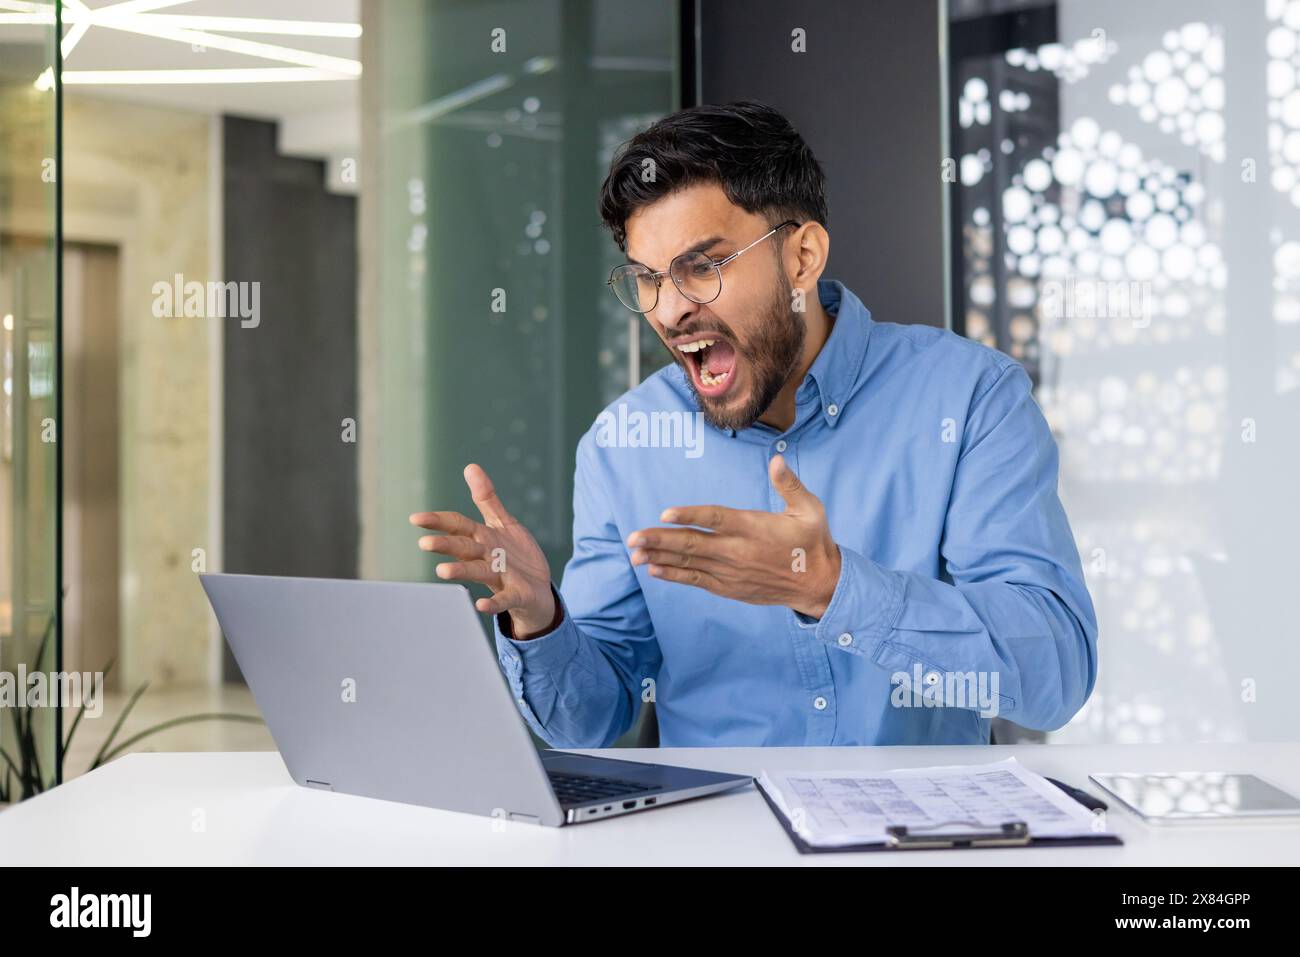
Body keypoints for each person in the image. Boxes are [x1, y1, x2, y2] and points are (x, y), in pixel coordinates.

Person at [410, 101, 1097, 748]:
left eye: (701, 267)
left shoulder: (968, 397)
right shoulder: (624, 447)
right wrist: (540, 620)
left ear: (802, 257)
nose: (670, 310)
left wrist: (833, 588)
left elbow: (1055, 675)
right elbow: (590, 716)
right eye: (647, 279)